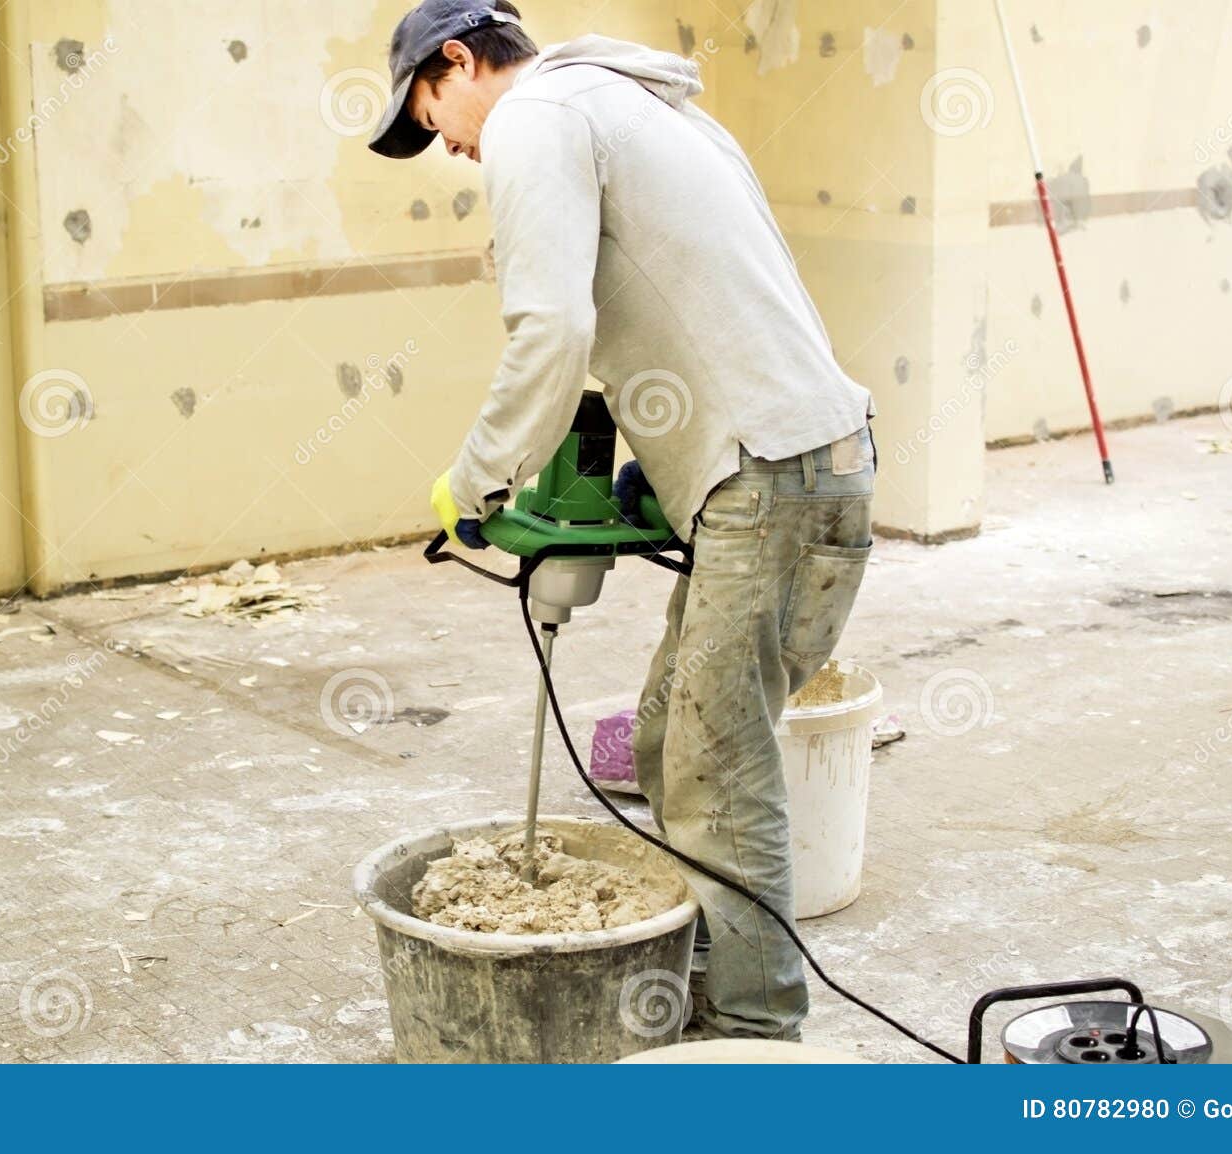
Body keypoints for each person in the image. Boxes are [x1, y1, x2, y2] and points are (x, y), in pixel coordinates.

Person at [369, 0, 876, 1042]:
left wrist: (477, 477)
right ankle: (689, 968)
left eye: (432, 115)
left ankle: (749, 1034)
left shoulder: (535, 115)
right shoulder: (647, 106)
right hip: (795, 463)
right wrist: (670, 468)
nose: (450, 147)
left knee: (714, 766)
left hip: (771, 474)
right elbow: (715, 298)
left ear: (458, 60)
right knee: (665, 738)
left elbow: (553, 327)